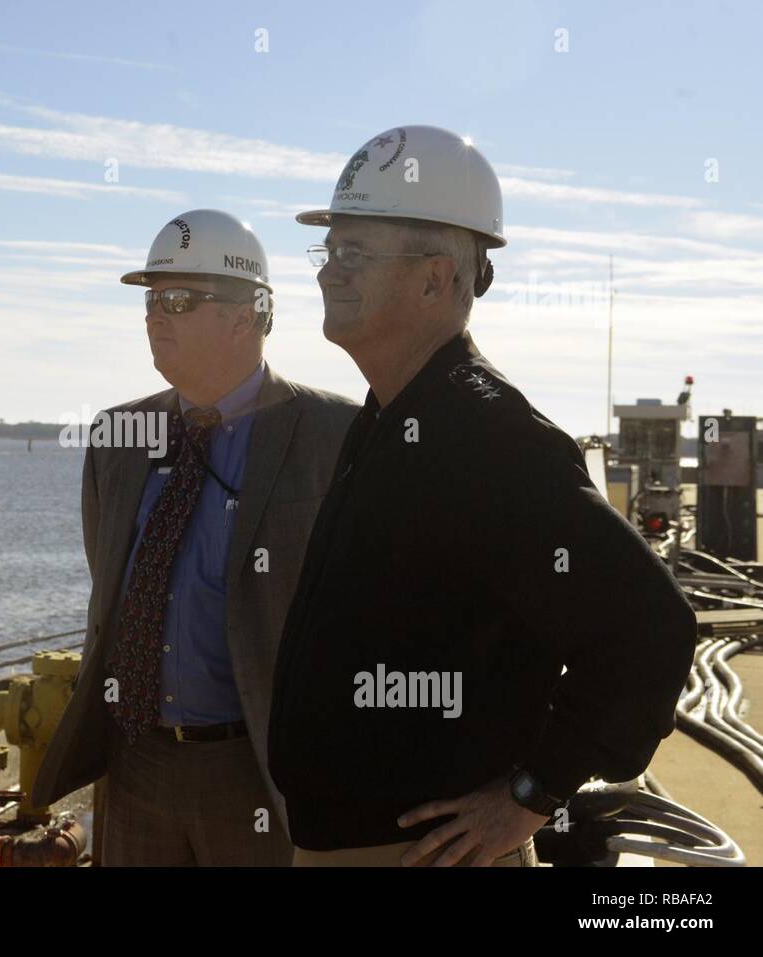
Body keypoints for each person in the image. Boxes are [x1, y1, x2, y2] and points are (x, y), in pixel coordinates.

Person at [268, 126, 697, 866]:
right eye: (328, 250)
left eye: (354, 253)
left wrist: (534, 792)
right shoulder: (392, 414)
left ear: (436, 278)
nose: (326, 274)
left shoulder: (487, 435)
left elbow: (650, 630)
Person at [31, 209, 359, 865]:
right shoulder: (115, 439)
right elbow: (113, 590)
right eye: (151, 300)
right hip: (136, 769)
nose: (155, 315)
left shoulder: (337, 433)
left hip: (260, 772)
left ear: (247, 313)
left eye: (177, 300)